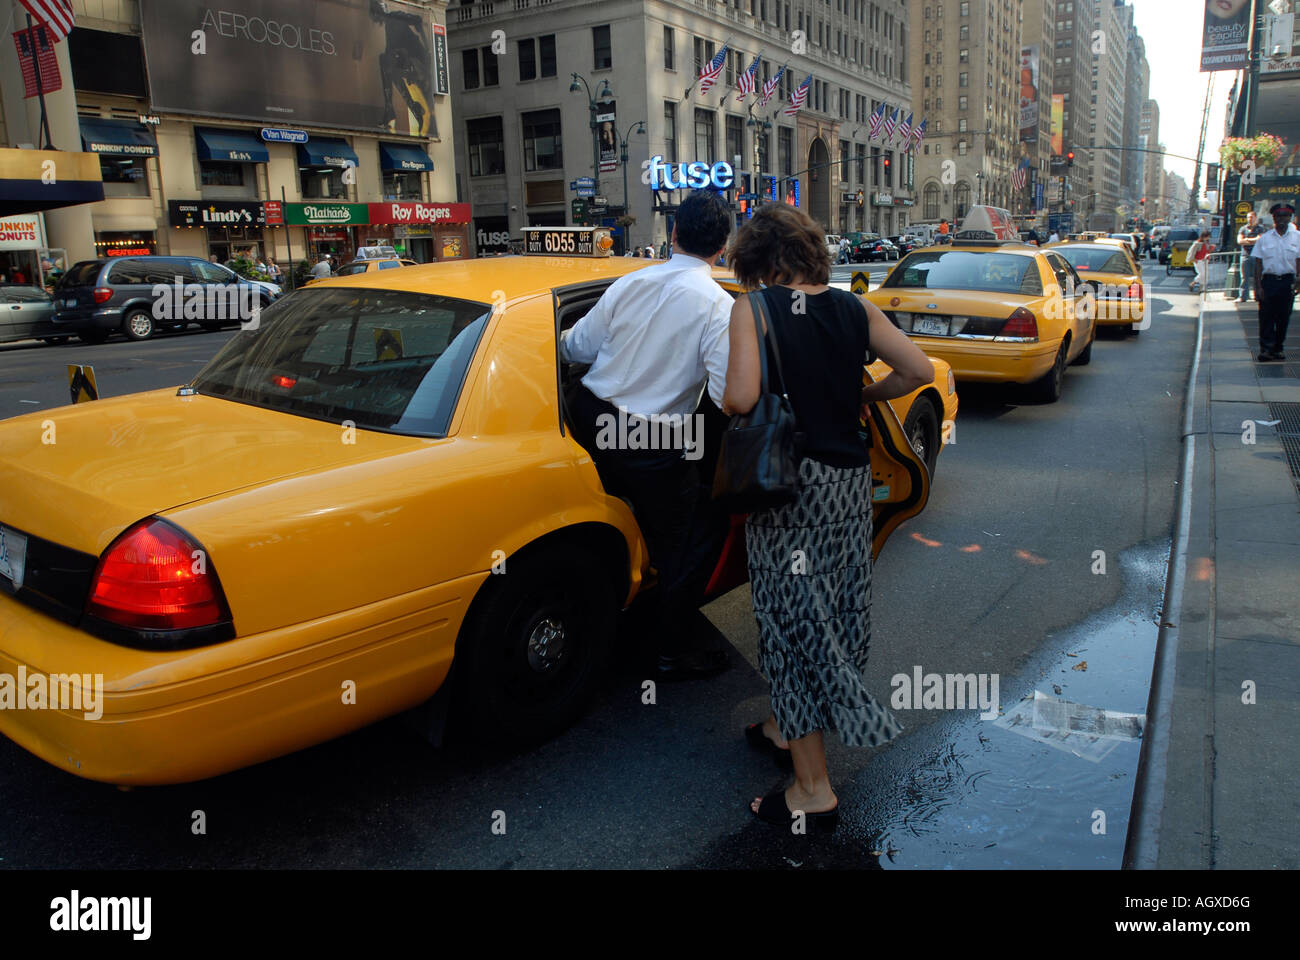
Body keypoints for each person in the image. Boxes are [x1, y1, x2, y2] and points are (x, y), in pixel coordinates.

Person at [722, 203, 934, 827]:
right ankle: (787, 732)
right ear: (811, 252)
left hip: (788, 487)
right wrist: (863, 394)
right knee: (832, 612)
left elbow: (739, 398)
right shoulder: (854, 308)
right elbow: (918, 371)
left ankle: (812, 790)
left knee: (791, 628)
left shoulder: (752, 310)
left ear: (758, 260)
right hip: (848, 484)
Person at [560, 190, 734, 680]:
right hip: (651, 442)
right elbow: (723, 397)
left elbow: (576, 346)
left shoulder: (628, 282)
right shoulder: (718, 306)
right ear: (721, 247)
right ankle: (671, 650)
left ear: (673, 234)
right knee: (690, 539)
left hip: (591, 420)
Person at [1251, 202, 1300, 362]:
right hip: (1269, 282)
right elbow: (1258, 263)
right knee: (1266, 317)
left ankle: (1278, 348)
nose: (1281, 219)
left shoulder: (1297, 238)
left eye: (1285, 216)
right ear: (1273, 218)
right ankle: (1266, 349)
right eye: (1278, 216)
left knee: (1283, 317)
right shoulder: (1264, 239)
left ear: (1290, 218)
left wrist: (1298, 281)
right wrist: (1257, 286)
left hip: (1287, 282)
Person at [1237, 210, 1263, 302]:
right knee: (1244, 277)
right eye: (1248, 217)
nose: (1249, 219)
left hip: (1256, 256)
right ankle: (1243, 296)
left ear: (1255, 218)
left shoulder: (1260, 228)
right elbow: (1239, 241)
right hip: (1245, 255)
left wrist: (1247, 239)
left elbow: (1259, 239)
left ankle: (1257, 296)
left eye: (1251, 217)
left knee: (1257, 277)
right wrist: (1252, 240)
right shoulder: (1243, 229)